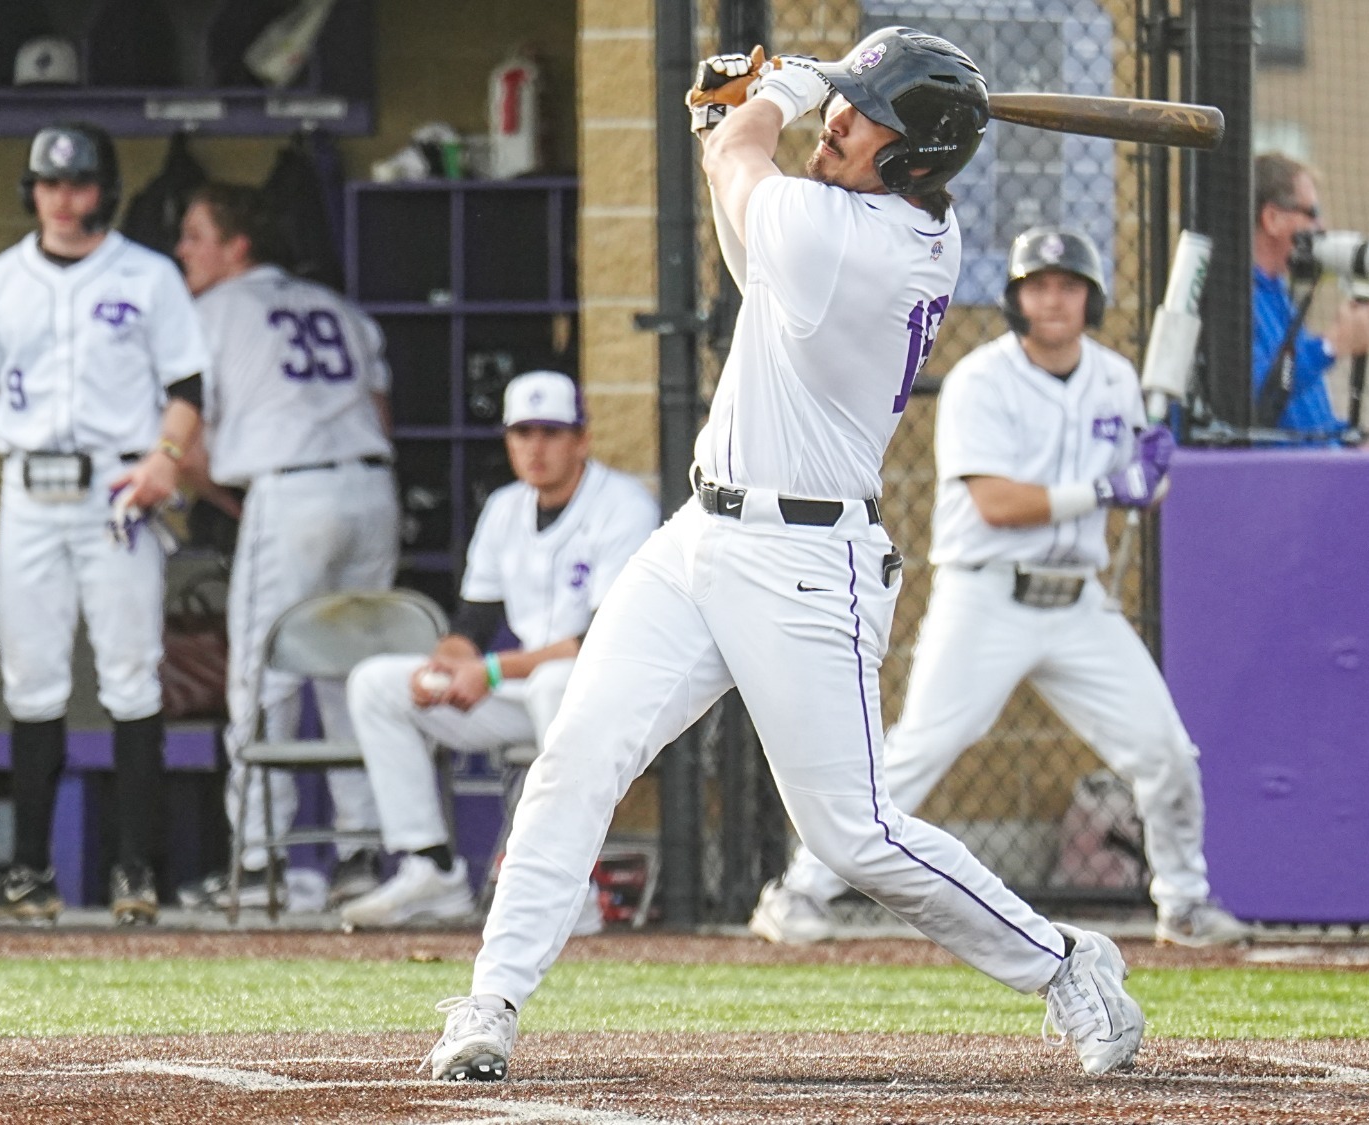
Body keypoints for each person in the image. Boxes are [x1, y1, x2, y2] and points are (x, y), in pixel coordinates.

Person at [425, 28, 1145, 1083]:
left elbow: (744, 163)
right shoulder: (838, 219)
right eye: (840, 106)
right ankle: (489, 1003)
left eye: (864, 118)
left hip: (808, 566)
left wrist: (779, 91)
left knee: (851, 833)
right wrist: (730, 111)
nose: (839, 124)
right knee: (577, 757)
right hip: (700, 536)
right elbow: (740, 209)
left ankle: (1065, 961)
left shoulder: (870, 242)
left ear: (911, 161)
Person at [748, 225, 1249, 950]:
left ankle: (1185, 902)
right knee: (922, 745)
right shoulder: (980, 379)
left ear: (1090, 299)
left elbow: (1142, 483)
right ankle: (800, 889)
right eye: (1037, 286)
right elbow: (997, 503)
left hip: (1077, 601)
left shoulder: (1114, 377)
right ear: (1016, 299)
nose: (1053, 300)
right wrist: (1110, 486)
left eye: (1067, 287)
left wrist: (1151, 475)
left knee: (1165, 750)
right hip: (985, 594)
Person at [0, 122, 211, 925]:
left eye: (78, 184)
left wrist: (166, 459)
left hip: (115, 490)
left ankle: (136, 868)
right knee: (31, 678)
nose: (62, 199)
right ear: (32, 191)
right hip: (26, 492)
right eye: (49, 185)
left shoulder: (149, 275)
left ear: (104, 189)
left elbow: (189, 384)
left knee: (130, 672)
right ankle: (30, 870)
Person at [338, 370, 658, 929]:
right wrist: (451, 661)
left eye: (551, 432)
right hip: (525, 688)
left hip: (609, 691)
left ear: (581, 439)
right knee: (377, 684)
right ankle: (430, 869)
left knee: (559, 685)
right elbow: (475, 621)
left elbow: (604, 641)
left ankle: (569, 885)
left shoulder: (623, 504)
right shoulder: (507, 506)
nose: (535, 448)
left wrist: (488, 669)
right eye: (522, 432)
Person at [169, 182, 399, 912]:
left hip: (289, 490)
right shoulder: (337, 307)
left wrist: (237, 500)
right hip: (370, 490)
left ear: (238, 245)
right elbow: (382, 415)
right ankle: (359, 850)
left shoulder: (208, 311)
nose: (183, 249)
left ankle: (262, 859)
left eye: (196, 234)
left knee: (264, 675)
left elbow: (183, 441)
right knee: (352, 675)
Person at [1251, 152, 1369, 440]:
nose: (1321, 227)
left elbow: (1302, 419)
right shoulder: (1238, 301)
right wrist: (1331, 345)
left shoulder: (1278, 296)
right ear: (1272, 219)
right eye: (1312, 214)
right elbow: (1257, 400)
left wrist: (1357, 441)